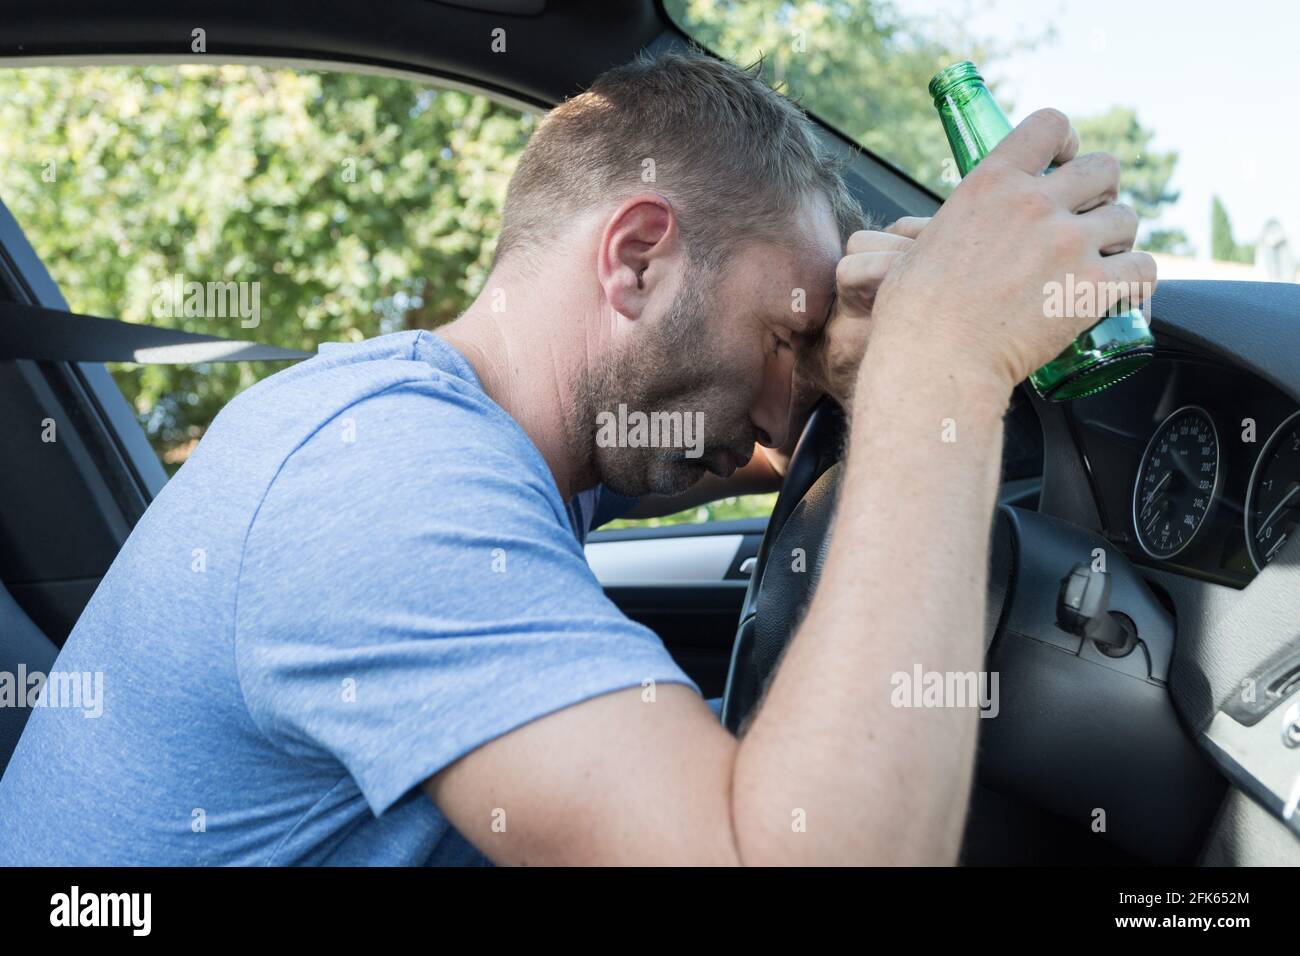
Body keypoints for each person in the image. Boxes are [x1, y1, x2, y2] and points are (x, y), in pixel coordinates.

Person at [0, 49, 1152, 865]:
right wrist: (939, 364)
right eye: (780, 336)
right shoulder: (391, 488)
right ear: (640, 258)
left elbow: (712, 451)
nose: (779, 406)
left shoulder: (446, 425)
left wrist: (851, 377)